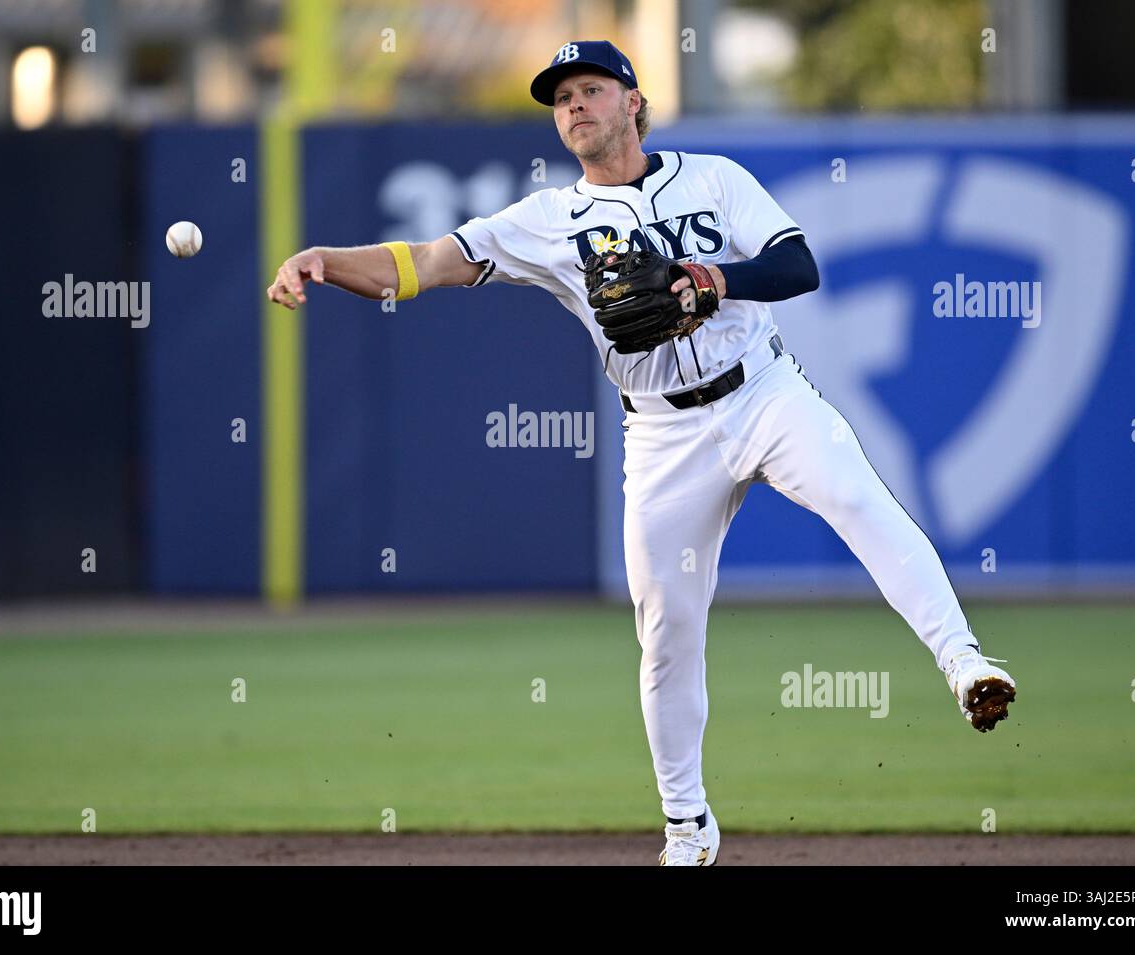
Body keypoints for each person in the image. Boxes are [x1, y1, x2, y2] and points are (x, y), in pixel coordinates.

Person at [267, 40, 1017, 867]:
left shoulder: (715, 179)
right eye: (561, 99)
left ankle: (965, 663)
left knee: (858, 498)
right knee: (666, 629)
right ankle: (688, 825)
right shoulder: (545, 220)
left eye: (591, 89)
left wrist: (711, 281)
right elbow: (425, 263)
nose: (575, 106)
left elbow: (796, 265)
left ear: (634, 102)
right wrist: (326, 261)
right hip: (662, 432)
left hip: (764, 390)